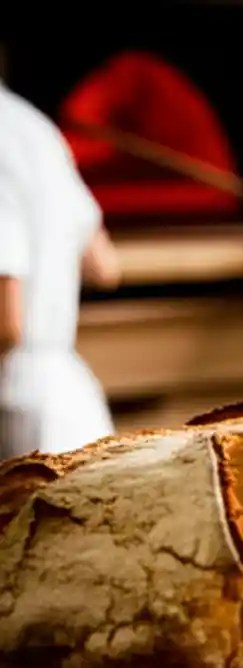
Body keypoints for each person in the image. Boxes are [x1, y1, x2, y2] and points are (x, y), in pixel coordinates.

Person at [0, 81, 120, 458]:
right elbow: (104, 265)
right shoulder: (35, 125)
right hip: (71, 394)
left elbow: (6, 322)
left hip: (16, 405)